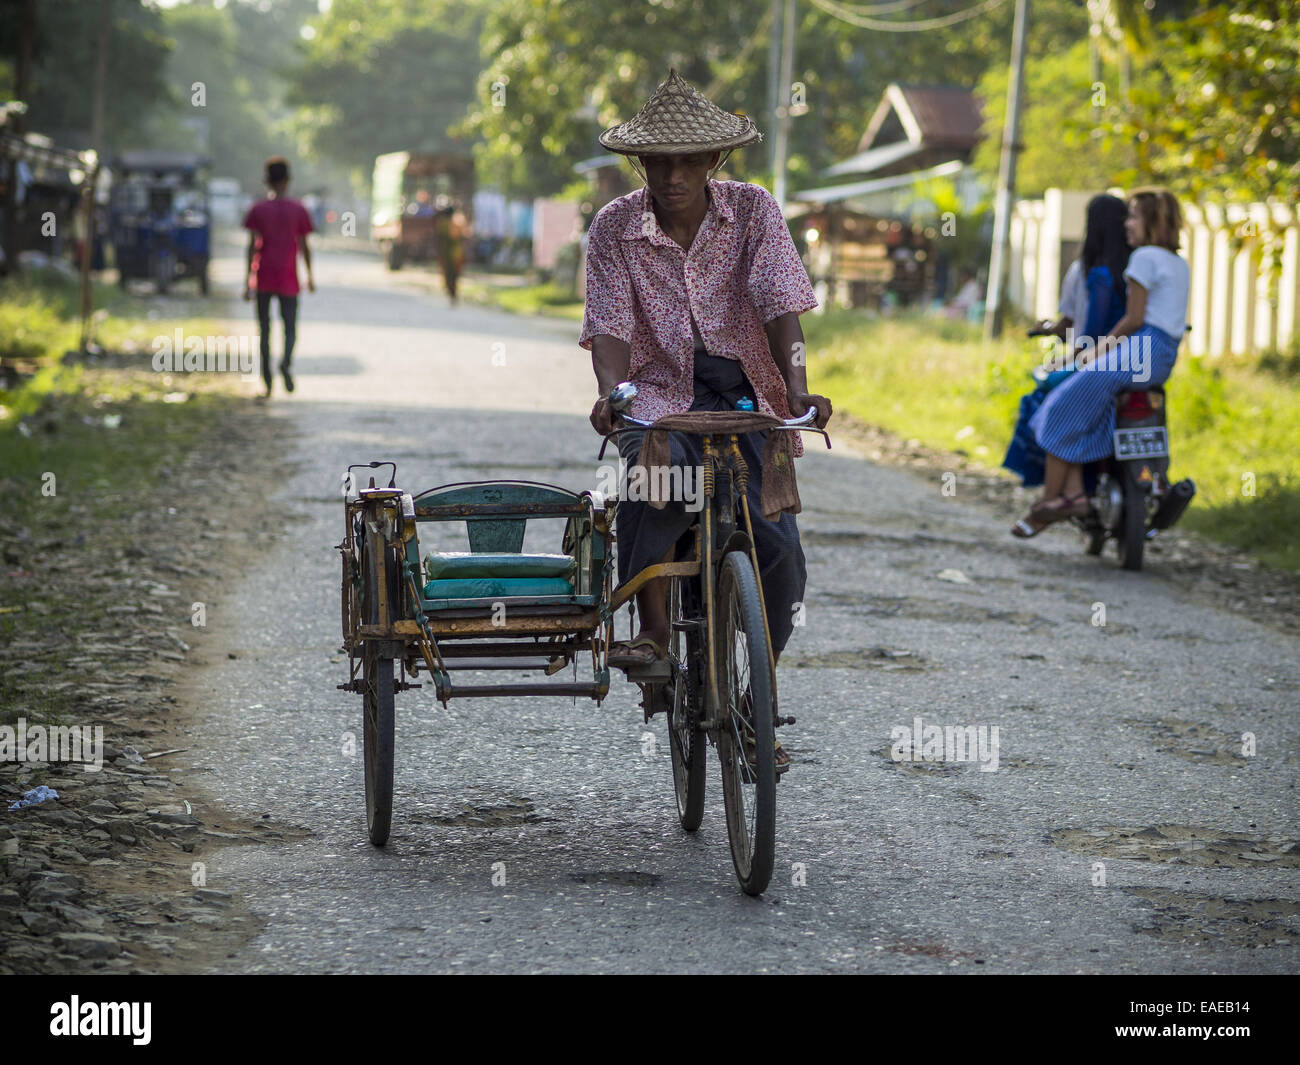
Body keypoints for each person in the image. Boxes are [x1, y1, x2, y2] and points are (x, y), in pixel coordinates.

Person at [581, 69, 832, 770]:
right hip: (661, 396)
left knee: (779, 552)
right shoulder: (613, 228)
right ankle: (655, 633)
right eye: (658, 161)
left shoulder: (754, 212)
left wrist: (802, 387)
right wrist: (614, 393)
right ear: (641, 165)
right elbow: (608, 327)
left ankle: (758, 702)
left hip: (751, 398)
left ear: (714, 161)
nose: (672, 175)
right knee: (652, 479)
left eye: (688, 160)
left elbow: (786, 307)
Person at [1012, 187, 1188, 537]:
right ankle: (1086, 492)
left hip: (1139, 350)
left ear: (1151, 222)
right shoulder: (1177, 262)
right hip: (1162, 356)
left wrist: (1096, 350)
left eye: (1135, 216)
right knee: (1087, 410)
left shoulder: (1144, 257)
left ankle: (1054, 501)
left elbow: (1134, 319)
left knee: (1055, 406)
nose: (1127, 224)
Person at [1004, 193, 1131, 505]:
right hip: (1136, 361)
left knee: (1050, 407)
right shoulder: (1138, 269)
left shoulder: (1091, 273)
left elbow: (1087, 330)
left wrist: (1064, 349)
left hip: (1094, 359)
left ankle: (1065, 495)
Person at [243, 156, 314, 398]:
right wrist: (311, 276)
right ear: (288, 180)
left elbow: (251, 247)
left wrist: (247, 282)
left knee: (264, 330)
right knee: (290, 328)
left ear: (266, 181)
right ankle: (285, 363)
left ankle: (267, 380)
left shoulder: (258, 209)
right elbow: (304, 246)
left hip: (263, 277)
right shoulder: (298, 209)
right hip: (288, 279)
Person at [434, 201, 468, 304]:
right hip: (455, 253)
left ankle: (452, 293)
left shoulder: (444, 223)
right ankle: (452, 294)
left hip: (449, 254)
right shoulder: (456, 222)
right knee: (454, 275)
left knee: (450, 275)